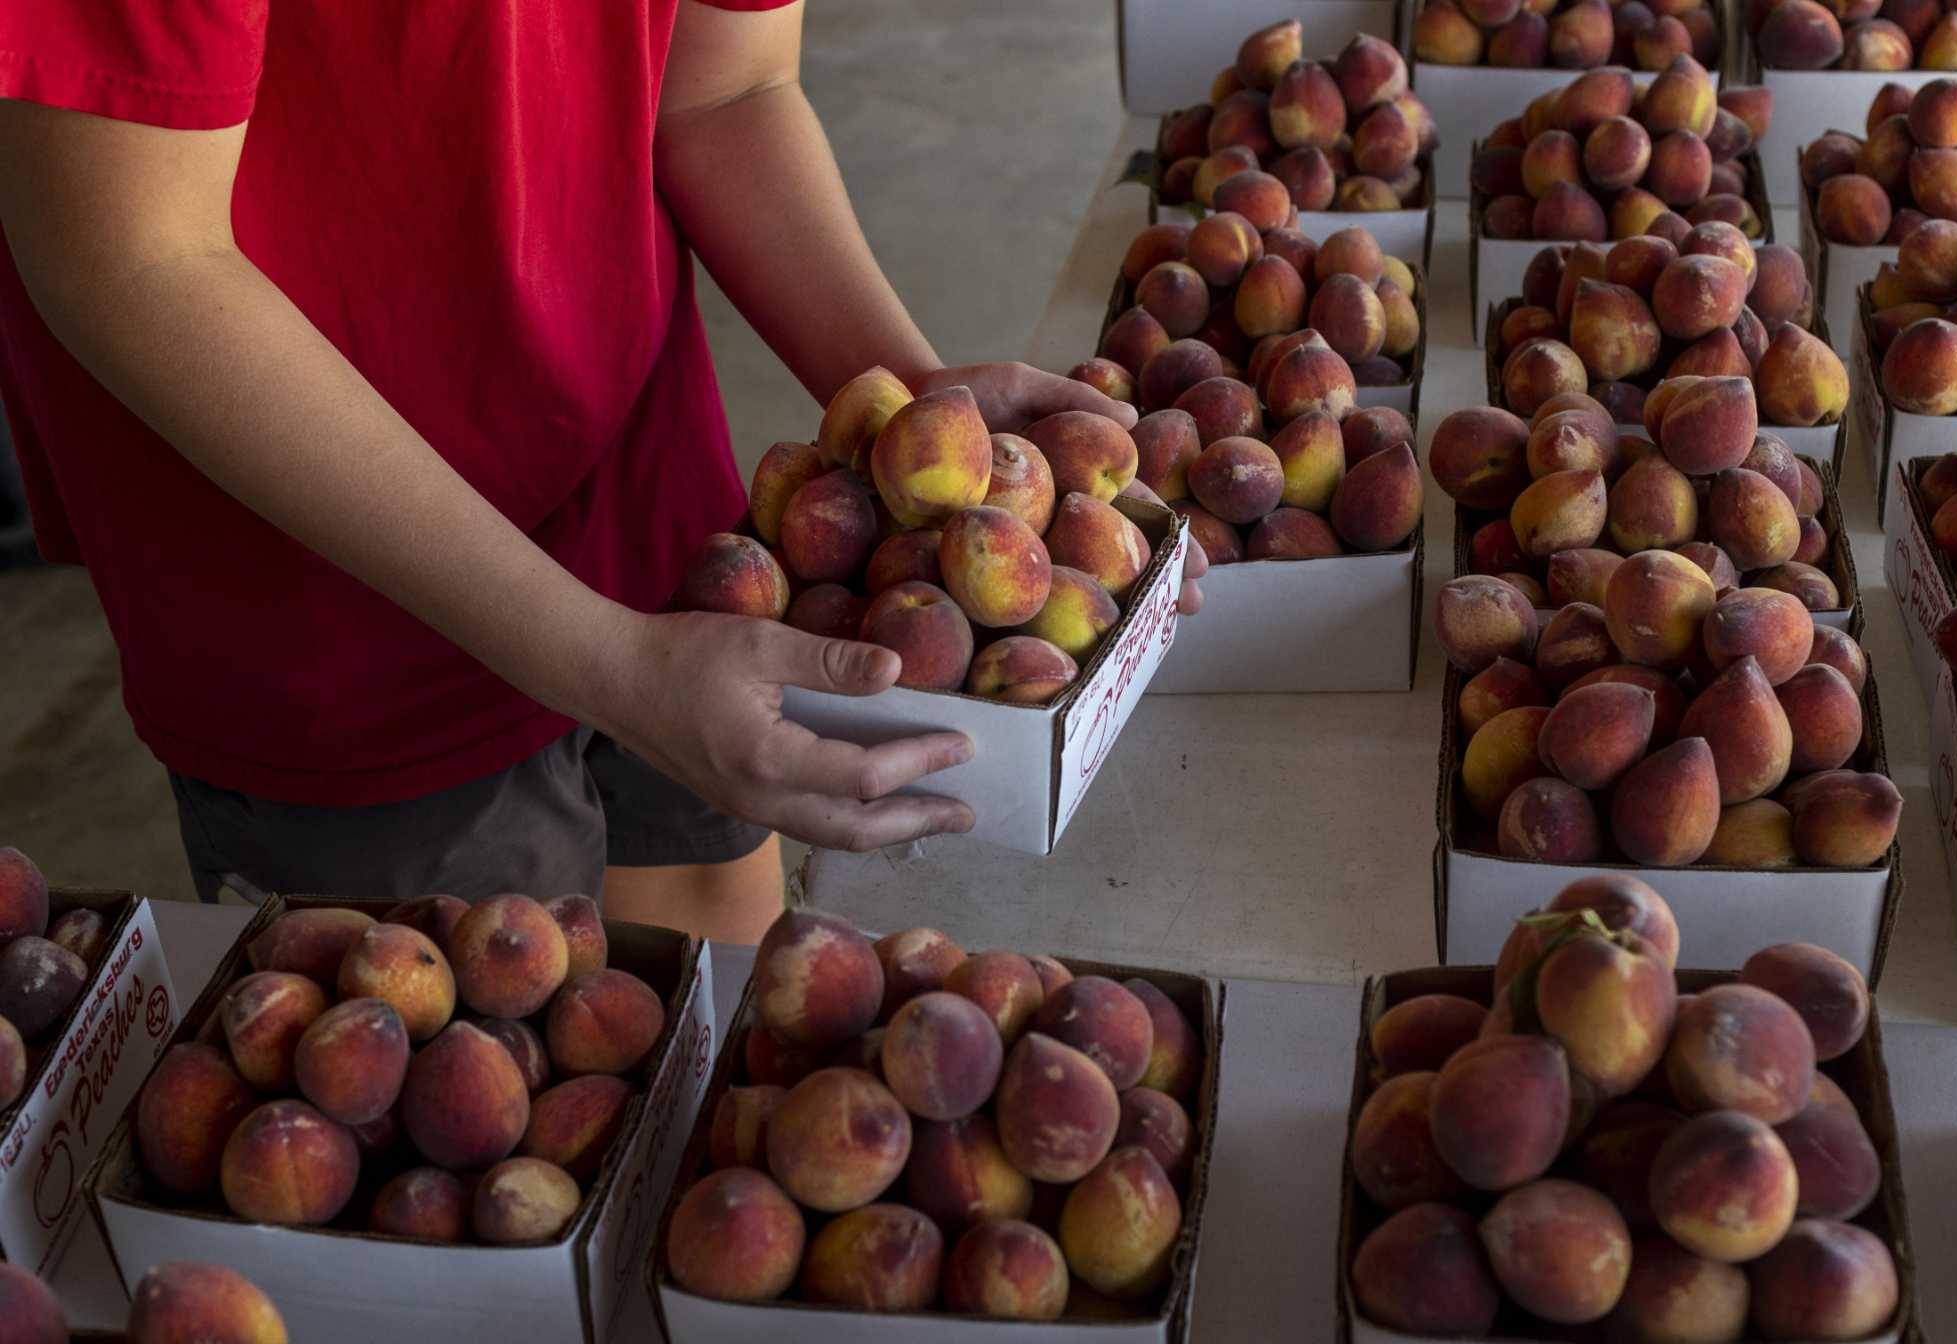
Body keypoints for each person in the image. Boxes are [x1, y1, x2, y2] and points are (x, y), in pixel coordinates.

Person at [0, 1, 1202, 944]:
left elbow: (724, 87)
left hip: (649, 505)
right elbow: (136, 257)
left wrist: (915, 417)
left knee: (719, 1043)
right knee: (473, 1162)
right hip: (329, 586)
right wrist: (602, 660)